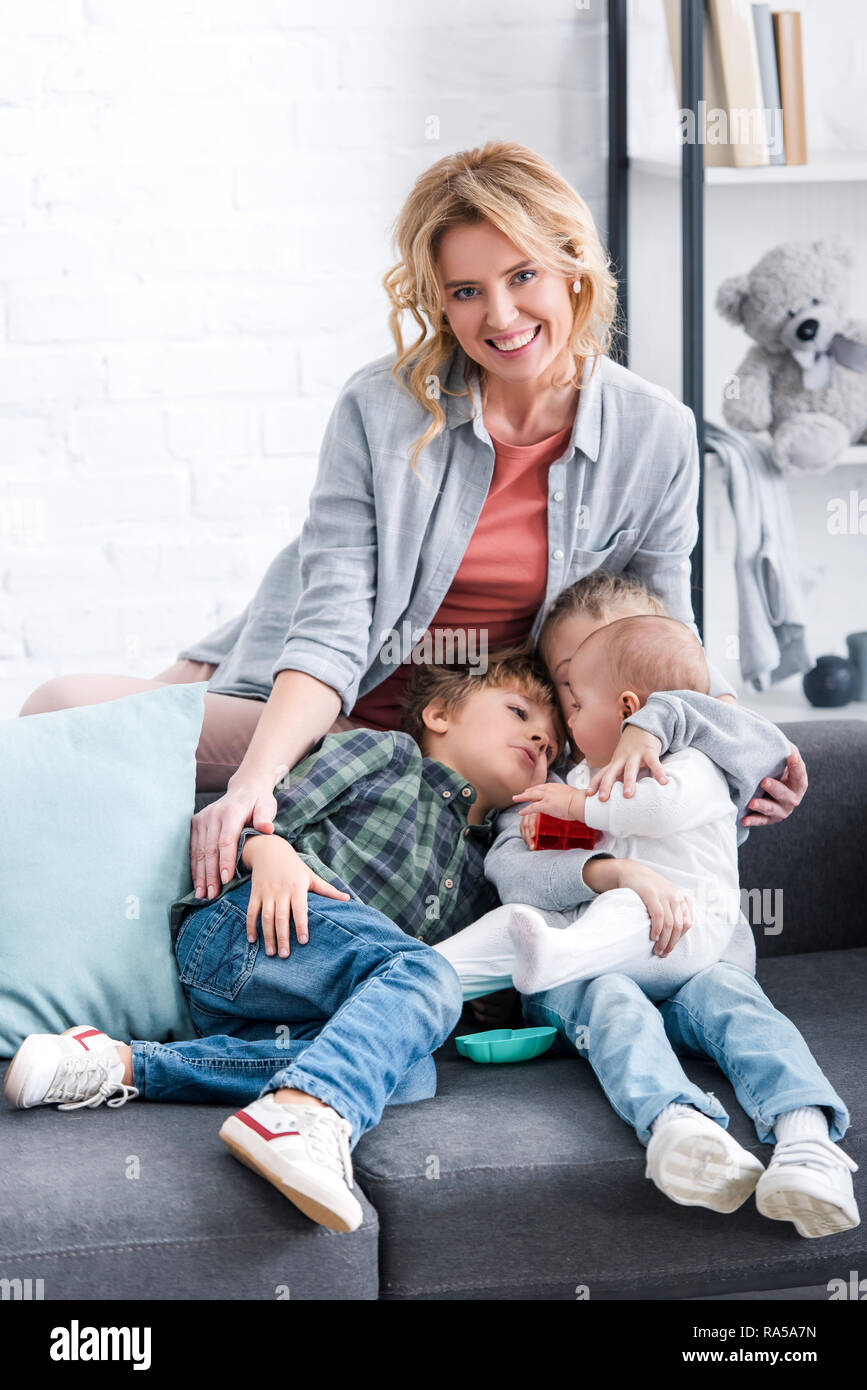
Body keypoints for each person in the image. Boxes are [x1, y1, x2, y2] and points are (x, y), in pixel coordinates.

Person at [17, 140, 807, 913]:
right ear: (437, 302)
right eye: (465, 291)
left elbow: (663, 629)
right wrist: (255, 780)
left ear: (572, 267)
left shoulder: (655, 431)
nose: (500, 316)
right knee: (62, 710)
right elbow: (329, 630)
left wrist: (740, 739)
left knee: (112, 743)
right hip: (329, 701)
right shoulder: (381, 409)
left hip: (458, 740)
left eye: (522, 275)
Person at [4, 647, 565, 1236]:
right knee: (426, 972)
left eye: (552, 747)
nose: (539, 740)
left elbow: (443, 995)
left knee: (411, 1073)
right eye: (519, 712)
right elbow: (259, 812)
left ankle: (117, 1064)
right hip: (243, 932)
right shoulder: (385, 755)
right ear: (440, 715)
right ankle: (298, 1116)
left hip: (285, 1011)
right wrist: (268, 849)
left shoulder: (489, 865)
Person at [464, 571, 859, 1239]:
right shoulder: (551, 779)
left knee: (737, 1005)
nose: (616, 694)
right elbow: (511, 870)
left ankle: (807, 1143)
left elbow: (756, 744)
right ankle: (676, 1125)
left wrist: (661, 725)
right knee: (611, 997)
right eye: (575, 678)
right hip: (588, 971)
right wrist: (605, 871)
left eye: (632, 666)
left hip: (696, 966)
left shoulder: (702, 764)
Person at [436, 611, 772, 1001]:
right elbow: (589, 833)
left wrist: (576, 805)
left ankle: (559, 955)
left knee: (626, 906)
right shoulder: (586, 774)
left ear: (627, 710)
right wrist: (548, 825)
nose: (570, 722)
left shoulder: (694, 763)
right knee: (518, 920)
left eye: (579, 705)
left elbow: (656, 810)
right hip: (595, 919)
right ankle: (428, 969)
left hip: (681, 929)